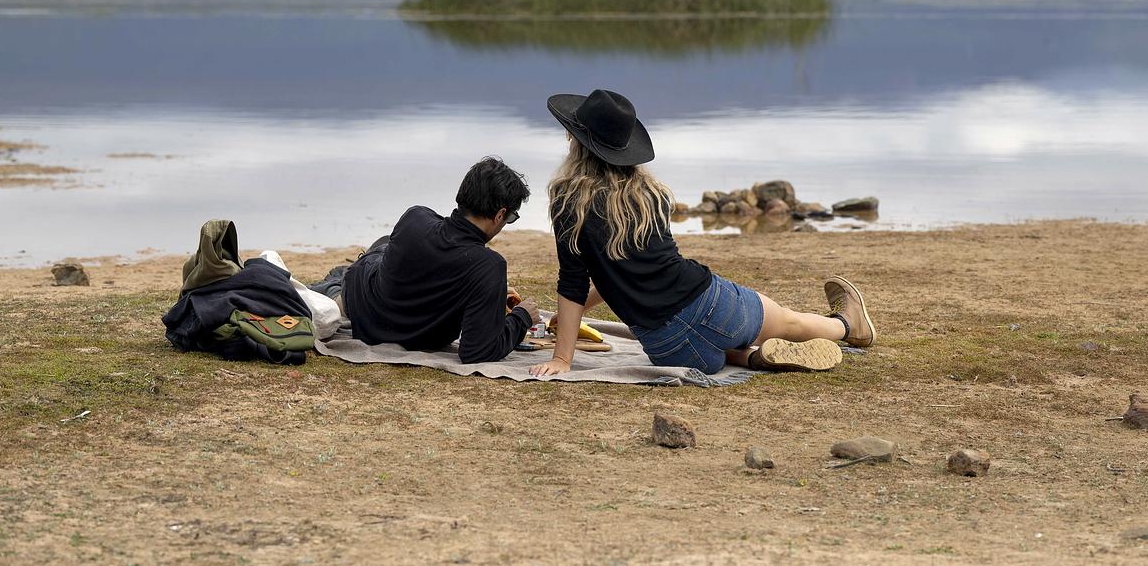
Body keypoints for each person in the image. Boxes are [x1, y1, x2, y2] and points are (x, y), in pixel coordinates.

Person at [530, 89, 875, 378]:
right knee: (788, 322)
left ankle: (750, 358)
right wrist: (575, 321)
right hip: (711, 304)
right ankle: (848, 326)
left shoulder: (568, 201)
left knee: (715, 352)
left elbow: (581, 279)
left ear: (575, 139)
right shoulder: (649, 194)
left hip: (669, 348)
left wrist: (563, 358)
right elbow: (639, 269)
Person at [310, 156, 541, 364]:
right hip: (399, 330)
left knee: (378, 251)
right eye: (510, 217)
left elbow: (446, 245)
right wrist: (521, 318)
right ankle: (336, 280)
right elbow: (477, 351)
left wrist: (488, 291)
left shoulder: (415, 217)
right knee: (374, 254)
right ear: (500, 214)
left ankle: (337, 280)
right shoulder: (489, 267)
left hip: (362, 307)